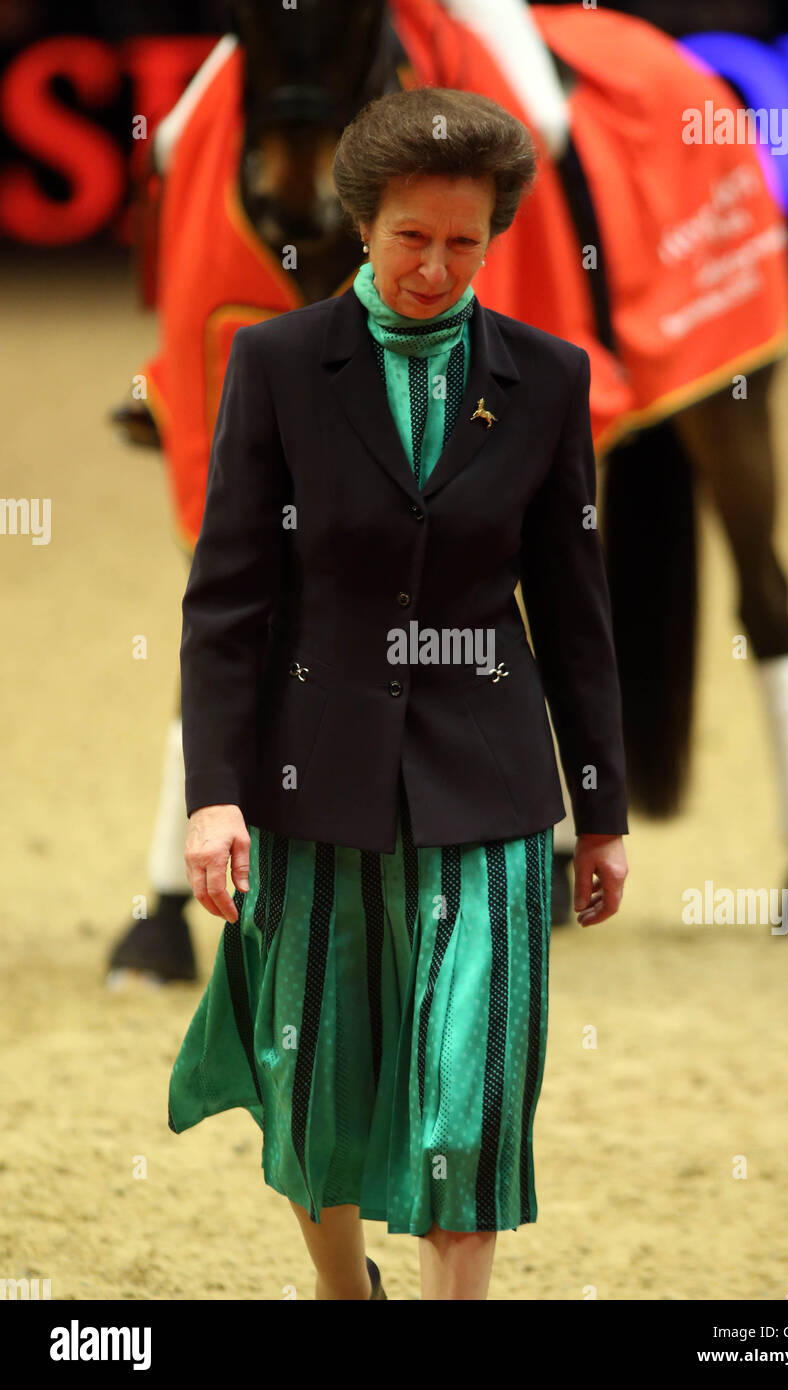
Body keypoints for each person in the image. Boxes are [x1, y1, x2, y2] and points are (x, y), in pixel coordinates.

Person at [167, 85, 628, 1302]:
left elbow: (575, 616)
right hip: (313, 779)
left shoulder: (551, 377)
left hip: (489, 781)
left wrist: (606, 808)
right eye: (411, 237)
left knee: (470, 1089)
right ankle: (340, 1290)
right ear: (362, 224)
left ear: (496, 237)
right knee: (317, 1074)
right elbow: (227, 602)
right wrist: (213, 798)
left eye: (463, 241)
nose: (434, 266)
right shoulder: (271, 363)